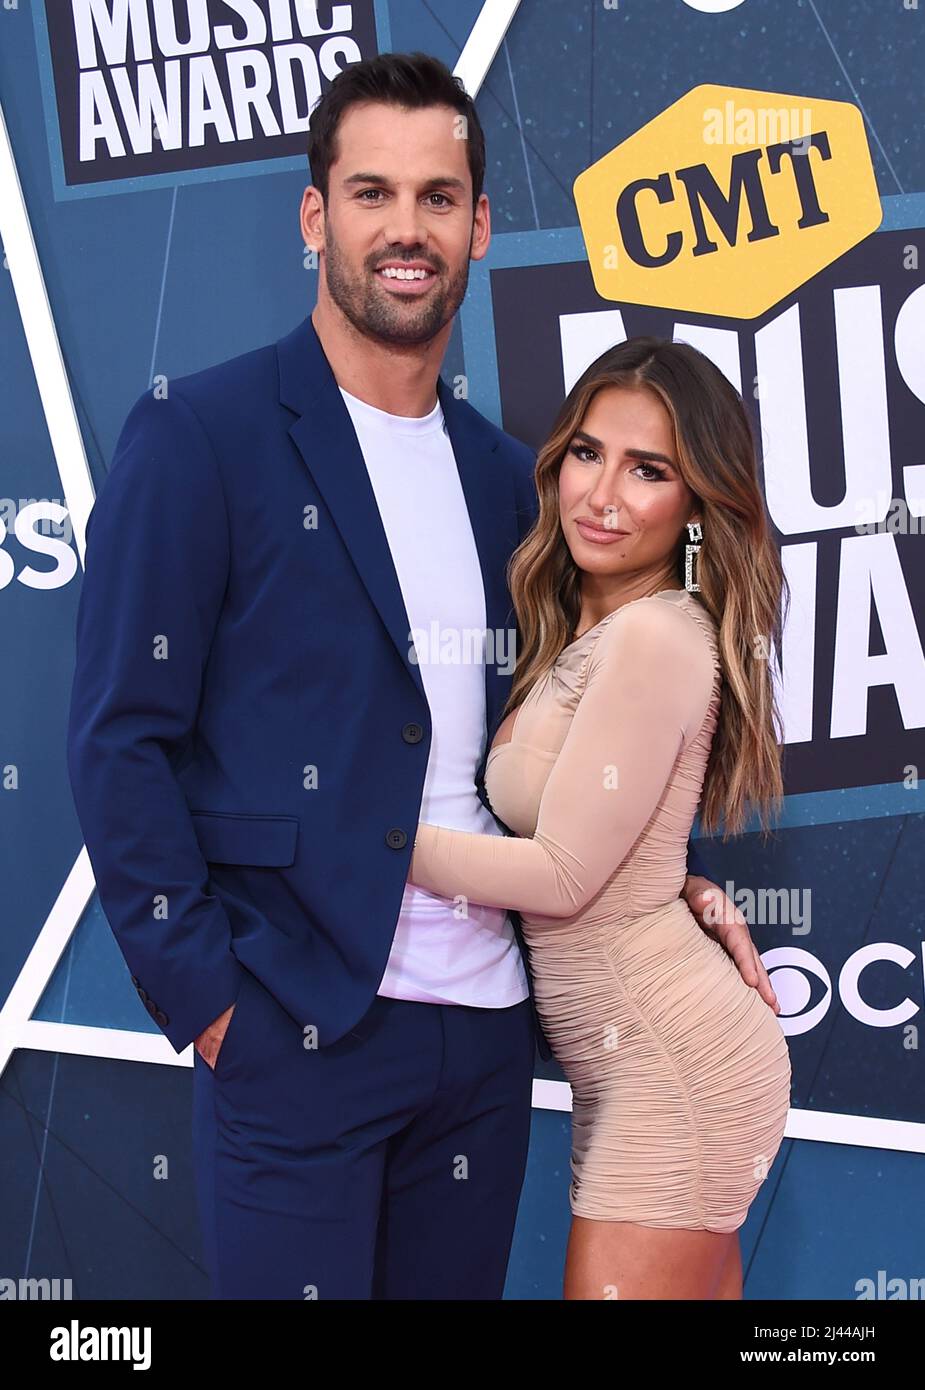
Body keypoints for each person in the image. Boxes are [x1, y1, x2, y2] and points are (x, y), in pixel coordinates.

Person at [66, 51, 776, 1301]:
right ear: (314, 216)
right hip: (291, 1026)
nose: (406, 228)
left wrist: (681, 885)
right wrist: (207, 1000)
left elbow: (588, 730)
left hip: (485, 1044)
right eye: (372, 192)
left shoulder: (515, 482)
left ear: (481, 225)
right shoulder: (203, 436)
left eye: (438, 197)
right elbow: (119, 737)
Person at [408, 335, 793, 1299]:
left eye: (648, 470)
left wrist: (371, 846)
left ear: (698, 506)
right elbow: (610, 835)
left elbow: (563, 876)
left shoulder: (658, 635)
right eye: (586, 452)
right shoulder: (588, 623)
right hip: (639, 1066)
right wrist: (686, 884)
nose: (603, 494)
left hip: (673, 1069)